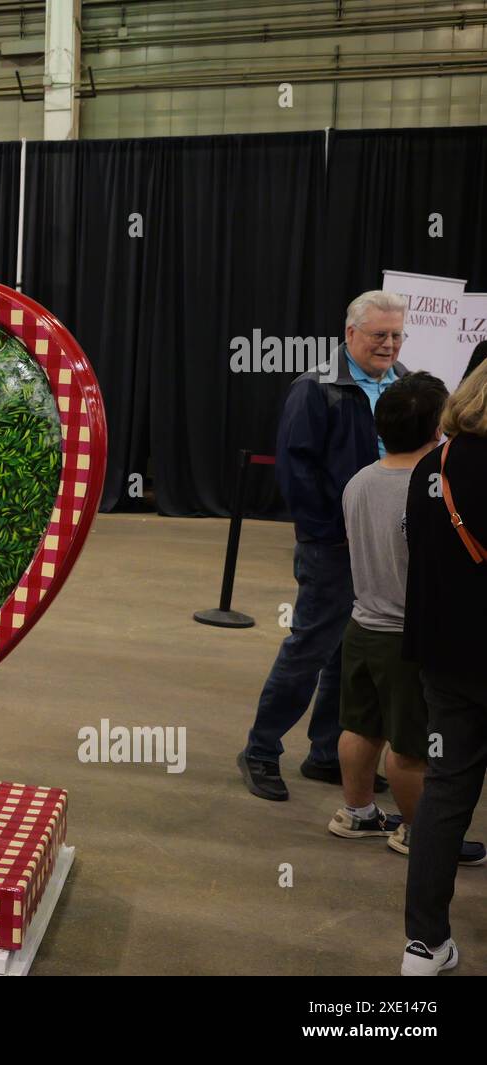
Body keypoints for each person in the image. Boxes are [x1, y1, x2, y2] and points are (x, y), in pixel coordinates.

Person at [238, 291, 410, 801]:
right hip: (334, 545)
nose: (389, 344)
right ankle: (261, 751)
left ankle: (326, 755)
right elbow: (296, 472)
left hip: (388, 546)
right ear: (351, 334)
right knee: (310, 647)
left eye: (397, 335)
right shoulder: (315, 388)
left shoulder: (405, 384)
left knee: (350, 654)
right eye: (379, 335)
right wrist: (331, 533)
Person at [330, 372, 485, 866]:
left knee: (359, 726)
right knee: (411, 745)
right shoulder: (430, 486)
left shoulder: (359, 482)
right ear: (437, 425)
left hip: (361, 623)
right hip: (404, 634)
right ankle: (419, 831)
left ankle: (356, 811)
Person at [401, 359, 487, 975]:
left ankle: (424, 944)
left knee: (445, 792)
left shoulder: (434, 464)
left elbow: (420, 560)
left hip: (446, 657)